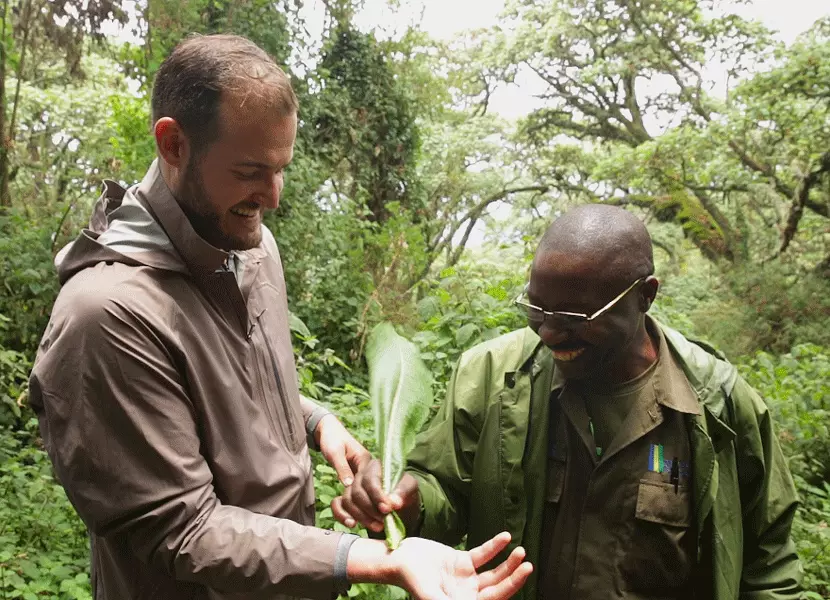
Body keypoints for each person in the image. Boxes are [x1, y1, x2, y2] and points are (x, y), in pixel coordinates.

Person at [27, 33, 533, 600]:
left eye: (280, 169)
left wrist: (316, 423)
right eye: (249, 171)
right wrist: (373, 559)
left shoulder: (250, 248)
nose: (271, 197)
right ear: (173, 144)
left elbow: (225, 386)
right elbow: (183, 528)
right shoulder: (108, 316)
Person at [333, 204, 804, 599]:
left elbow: (769, 565)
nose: (550, 334)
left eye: (575, 317)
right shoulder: (492, 378)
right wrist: (406, 503)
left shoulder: (719, 407)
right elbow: (442, 490)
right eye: (537, 310)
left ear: (645, 296)